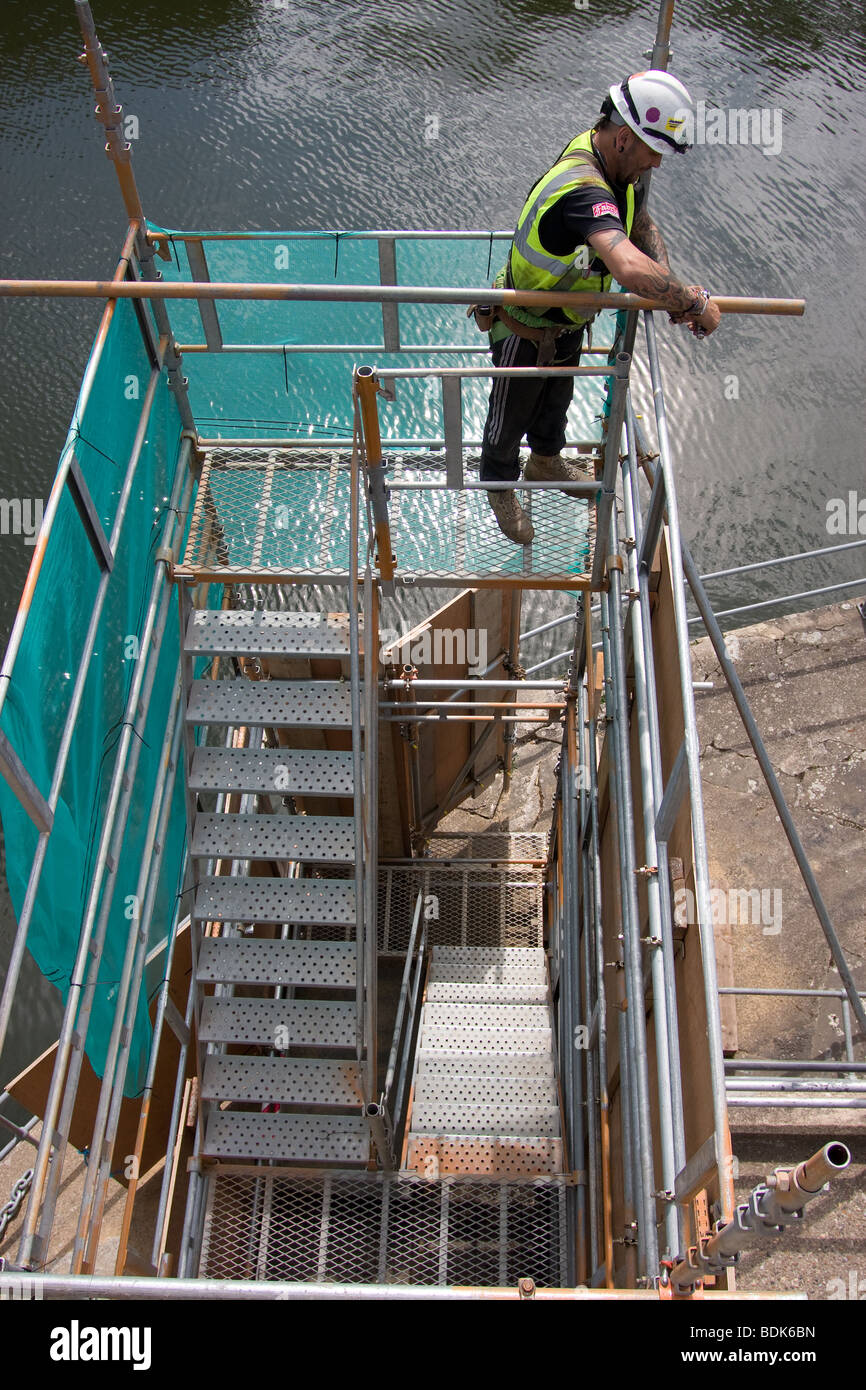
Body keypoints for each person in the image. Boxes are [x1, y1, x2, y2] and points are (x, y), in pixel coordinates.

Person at [479, 71, 721, 544]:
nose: (656, 164)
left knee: (557, 403)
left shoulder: (616, 163)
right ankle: (499, 486)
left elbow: (641, 224)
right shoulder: (584, 189)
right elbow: (629, 268)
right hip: (524, 324)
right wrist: (692, 301)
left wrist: (666, 287)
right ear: (626, 138)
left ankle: (545, 462)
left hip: (569, 318)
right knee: (509, 417)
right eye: (654, 152)